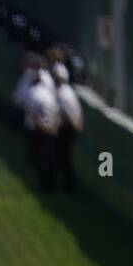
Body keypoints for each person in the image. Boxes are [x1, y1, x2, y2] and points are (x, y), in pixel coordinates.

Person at [23, 63, 60, 191]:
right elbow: (56, 112)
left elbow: (35, 116)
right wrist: (53, 128)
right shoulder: (50, 94)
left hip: (39, 131)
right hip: (51, 129)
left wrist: (46, 129)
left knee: (40, 158)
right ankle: (51, 182)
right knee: (50, 157)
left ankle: (45, 184)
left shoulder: (33, 93)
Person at [52, 62, 83, 192]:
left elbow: (67, 114)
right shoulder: (68, 90)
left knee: (64, 158)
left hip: (66, 129)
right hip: (70, 127)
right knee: (65, 158)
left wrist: (75, 125)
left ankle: (68, 185)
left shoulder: (62, 93)